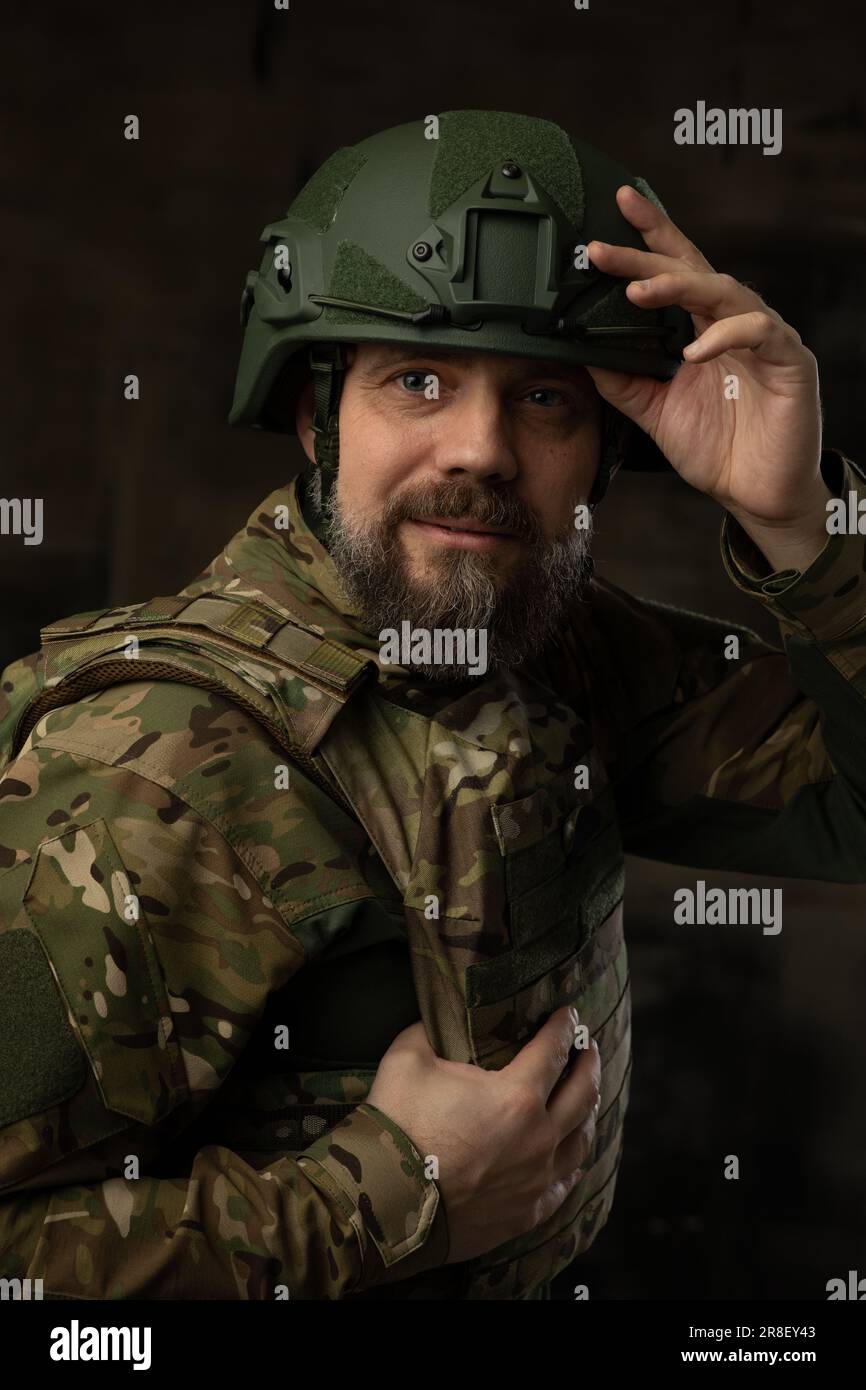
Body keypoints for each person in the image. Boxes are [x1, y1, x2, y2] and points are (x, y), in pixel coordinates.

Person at [0, 110, 863, 1302]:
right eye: (417, 379)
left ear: (605, 449)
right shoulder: (151, 772)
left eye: (546, 402)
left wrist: (806, 528)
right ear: (314, 418)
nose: (483, 451)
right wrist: (385, 1201)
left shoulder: (542, 641)